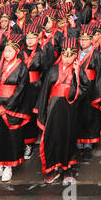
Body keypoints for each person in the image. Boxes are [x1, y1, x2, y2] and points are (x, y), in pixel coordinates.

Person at [35, 34, 90, 184]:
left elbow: (85, 89)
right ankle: (53, 168)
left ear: (75, 55)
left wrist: (78, 73)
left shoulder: (78, 70)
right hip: (53, 109)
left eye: (71, 55)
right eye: (65, 54)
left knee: (68, 137)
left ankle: (68, 168)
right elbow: (45, 91)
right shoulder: (53, 70)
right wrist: (42, 112)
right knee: (52, 138)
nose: (67, 58)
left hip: (70, 109)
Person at [0, 30, 32, 182]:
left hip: (12, 107)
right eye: (5, 50)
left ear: (16, 51)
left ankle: (8, 167)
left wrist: (7, 106)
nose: (7, 53)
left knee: (10, 136)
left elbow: (21, 89)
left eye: (10, 51)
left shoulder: (22, 67)